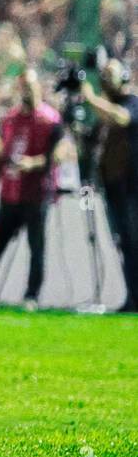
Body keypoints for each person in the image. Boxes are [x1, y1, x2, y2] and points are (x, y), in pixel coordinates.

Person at [0, 70, 63, 310]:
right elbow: (1, 155)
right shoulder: (10, 119)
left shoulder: (50, 120)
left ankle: (32, 296)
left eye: (30, 86)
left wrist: (33, 163)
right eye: (23, 87)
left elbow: (58, 156)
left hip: (36, 194)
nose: (27, 92)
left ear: (38, 88)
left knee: (36, 248)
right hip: (10, 193)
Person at [84, 59, 138, 312]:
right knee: (125, 244)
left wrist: (91, 98)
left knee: (134, 242)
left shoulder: (131, 102)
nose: (105, 79)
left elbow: (123, 118)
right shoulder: (105, 113)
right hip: (113, 186)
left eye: (110, 75)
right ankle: (133, 298)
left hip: (131, 188)